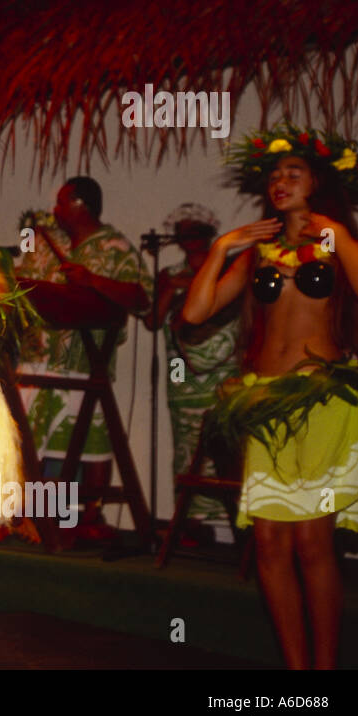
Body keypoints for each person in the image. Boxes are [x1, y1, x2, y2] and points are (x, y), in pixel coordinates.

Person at [181, 126, 358, 670]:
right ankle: (296, 674)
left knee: (313, 545)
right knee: (268, 548)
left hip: (321, 400)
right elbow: (195, 313)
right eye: (274, 175)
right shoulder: (260, 250)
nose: (280, 182)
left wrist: (338, 235)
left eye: (294, 173)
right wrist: (221, 247)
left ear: (319, 183)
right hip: (264, 406)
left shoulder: (335, 241)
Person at [14, 176, 152, 541]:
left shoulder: (115, 248)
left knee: (82, 438)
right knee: (27, 442)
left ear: (79, 205)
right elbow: (24, 288)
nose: (55, 210)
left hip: (82, 362)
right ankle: (30, 517)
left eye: (61, 203)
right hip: (34, 360)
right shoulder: (46, 245)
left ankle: (77, 517)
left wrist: (93, 281)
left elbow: (143, 299)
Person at [145, 203, 241, 539]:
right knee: (186, 446)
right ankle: (190, 521)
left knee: (227, 446)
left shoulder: (229, 272)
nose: (189, 240)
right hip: (178, 369)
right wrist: (169, 289)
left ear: (208, 235)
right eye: (183, 234)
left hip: (222, 369)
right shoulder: (169, 274)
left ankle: (235, 520)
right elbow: (152, 322)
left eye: (195, 232)